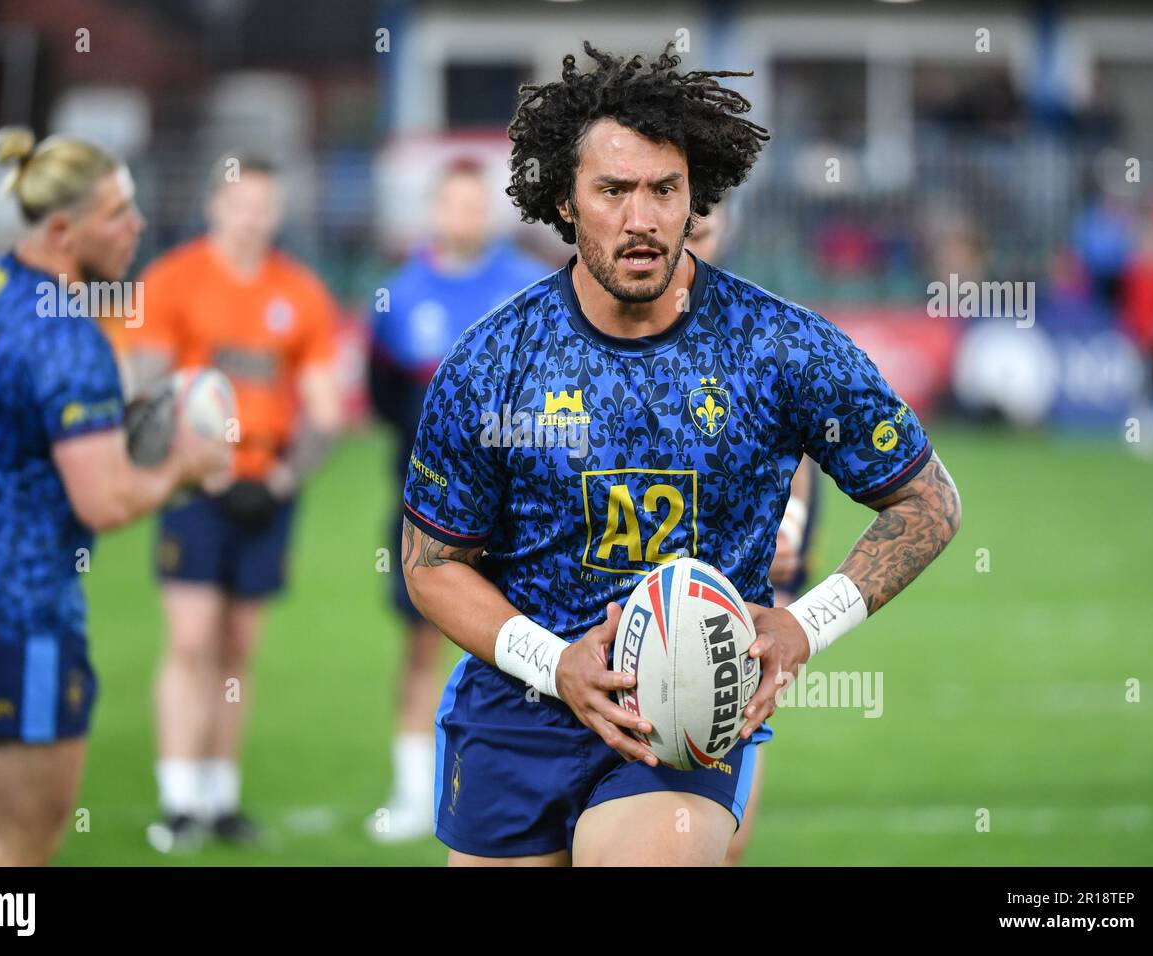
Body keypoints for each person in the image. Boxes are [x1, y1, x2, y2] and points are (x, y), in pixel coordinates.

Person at [400, 43, 961, 866]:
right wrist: (557, 666)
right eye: (614, 190)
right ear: (564, 199)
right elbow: (431, 562)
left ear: (697, 196)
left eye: (665, 189)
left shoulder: (782, 348)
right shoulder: (492, 362)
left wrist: (806, 626)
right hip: (517, 708)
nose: (643, 218)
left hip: (686, 715)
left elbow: (929, 502)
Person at [0, 127, 226, 866]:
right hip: (16, 629)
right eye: (117, 213)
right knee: (18, 851)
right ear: (60, 230)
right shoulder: (71, 345)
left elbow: (14, 421)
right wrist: (187, 465)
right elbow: (104, 502)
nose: (136, 226)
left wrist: (120, 418)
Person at [126, 156, 342, 851]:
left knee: (237, 648)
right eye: (240, 203)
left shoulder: (301, 293)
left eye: (264, 205)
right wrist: (202, 473)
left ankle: (219, 798)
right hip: (194, 491)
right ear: (215, 206)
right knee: (191, 641)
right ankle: (178, 798)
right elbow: (144, 395)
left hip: (266, 493)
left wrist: (280, 481)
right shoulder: (171, 281)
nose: (252, 217)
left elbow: (326, 408)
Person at [366, 158, 547, 842]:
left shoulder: (529, 290)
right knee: (420, 647)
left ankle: (527, 778)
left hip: (521, 511)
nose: (466, 216)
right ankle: (414, 793)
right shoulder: (400, 295)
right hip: (427, 510)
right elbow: (386, 396)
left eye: (478, 205)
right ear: (436, 212)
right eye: (455, 204)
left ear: (491, 212)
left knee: (523, 641)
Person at [686, 203, 824, 866]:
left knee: (723, 841)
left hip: (737, 600)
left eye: (701, 234)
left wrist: (790, 526)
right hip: (624, 599)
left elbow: (792, 444)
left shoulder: (753, 333)